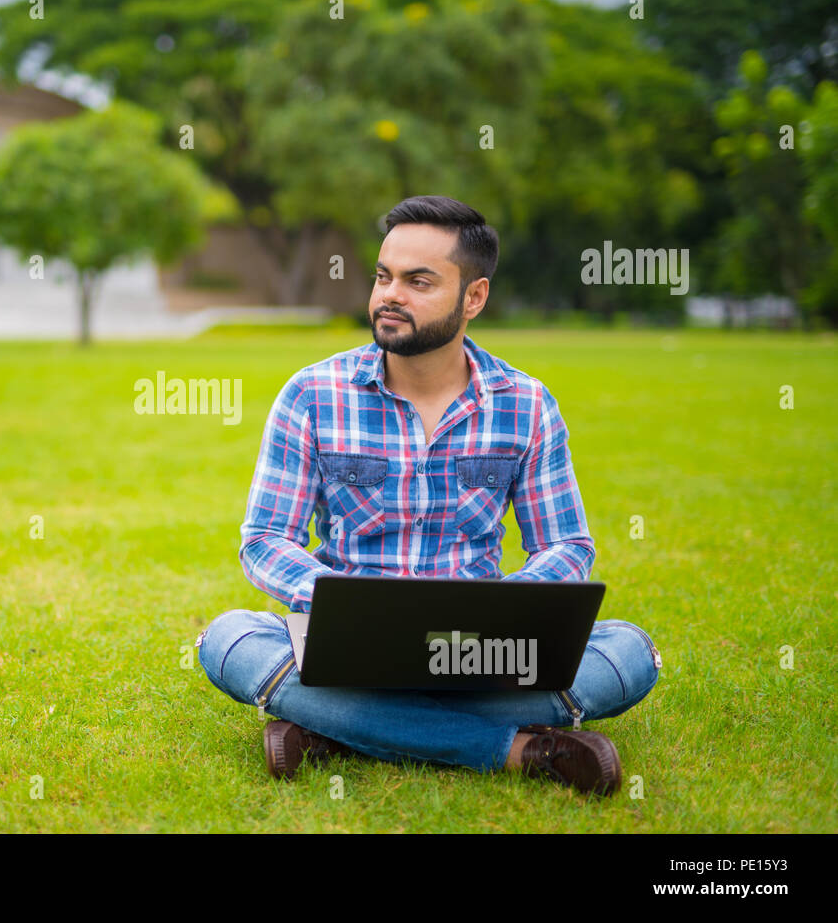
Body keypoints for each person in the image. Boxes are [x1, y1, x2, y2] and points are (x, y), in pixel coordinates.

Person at [196, 195, 661, 796]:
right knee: (227, 640)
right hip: (350, 646)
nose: (391, 294)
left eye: (419, 281)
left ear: (474, 297)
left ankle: (335, 728)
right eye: (384, 277)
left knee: (630, 652)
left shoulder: (526, 404)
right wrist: (344, 600)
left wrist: (505, 613)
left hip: (477, 655)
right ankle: (519, 751)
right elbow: (265, 539)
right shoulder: (311, 393)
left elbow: (566, 544)